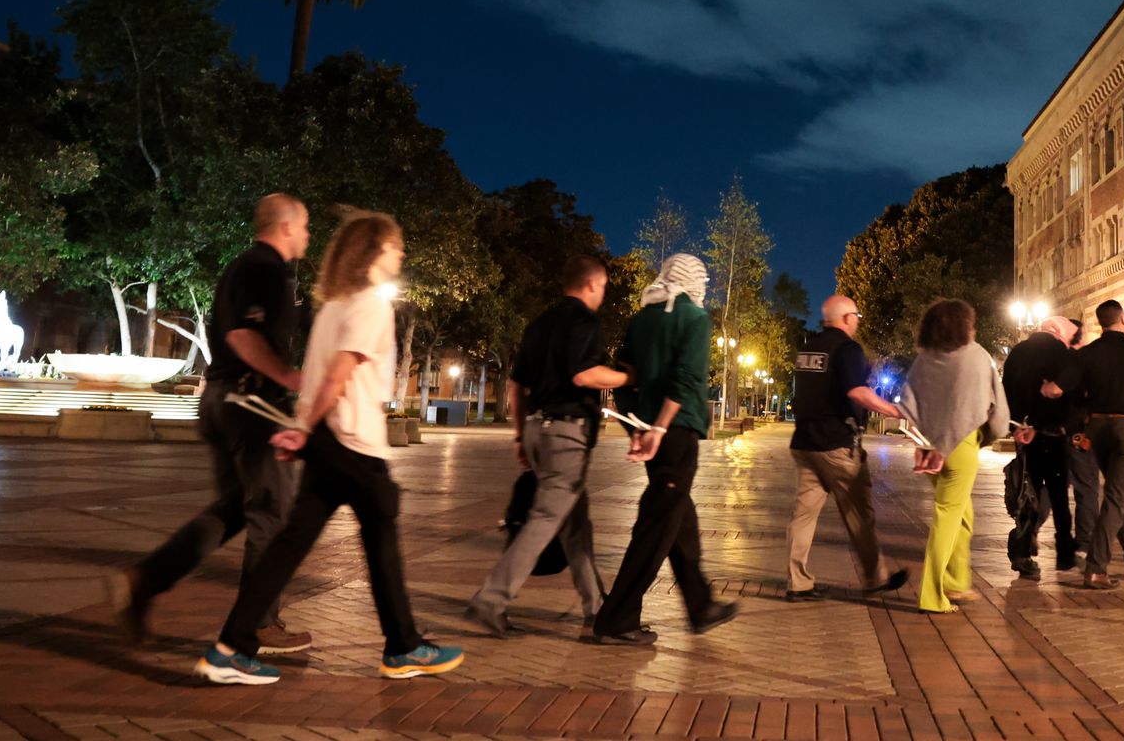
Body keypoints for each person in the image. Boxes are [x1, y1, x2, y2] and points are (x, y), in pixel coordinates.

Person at [196, 211, 463, 685]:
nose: (400, 254)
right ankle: (403, 647)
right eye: (394, 246)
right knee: (380, 539)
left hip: (327, 443)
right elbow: (338, 377)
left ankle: (230, 647)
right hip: (353, 443)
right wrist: (304, 428)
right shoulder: (368, 306)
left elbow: (320, 375)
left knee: (291, 547)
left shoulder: (333, 308)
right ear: (373, 252)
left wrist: (305, 429)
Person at [111, 194, 313, 653]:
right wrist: (285, 375)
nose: (307, 235)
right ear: (284, 227)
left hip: (222, 399)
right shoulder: (265, 270)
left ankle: (146, 579)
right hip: (252, 403)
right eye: (304, 226)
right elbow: (243, 334)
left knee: (238, 508)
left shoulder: (243, 267)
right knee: (273, 514)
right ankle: (259, 623)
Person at [466, 256, 628, 635]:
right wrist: (626, 378)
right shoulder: (584, 321)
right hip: (566, 435)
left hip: (540, 429)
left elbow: (516, 386)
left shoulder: (540, 324)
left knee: (575, 525)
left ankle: (597, 608)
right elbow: (584, 373)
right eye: (603, 286)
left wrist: (522, 435)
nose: (603, 294)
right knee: (544, 521)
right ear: (591, 284)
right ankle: (490, 600)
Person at [590, 254, 739, 645]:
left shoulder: (642, 319)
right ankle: (616, 619)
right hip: (676, 431)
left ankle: (700, 604)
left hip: (650, 431)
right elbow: (687, 378)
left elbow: (623, 380)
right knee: (656, 526)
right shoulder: (695, 319)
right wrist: (658, 426)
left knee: (678, 517)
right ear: (696, 282)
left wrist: (634, 427)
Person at [784, 294, 910, 601]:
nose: (857, 322)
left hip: (805, 442)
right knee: (860, 513)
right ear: (845, 318)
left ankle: (797, 583)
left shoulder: (809, 346)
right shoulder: (848, 348)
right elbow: (857, 391)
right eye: (856, 316)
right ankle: (874, 578)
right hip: (836, 445)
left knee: (803, 515)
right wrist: (896, 411)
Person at [1047, 301, 1124, 589]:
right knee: (1117, 497)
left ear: (1100, 322)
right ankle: (1096, 568)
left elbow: (1056, 389)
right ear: (1121, 320)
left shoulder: (1087, 354)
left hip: (1097, 431)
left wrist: (1044, 388)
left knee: (1120, 492)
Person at [895, 299, 1009, 614]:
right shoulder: (977, 356)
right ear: (964, 325)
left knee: (962, 514)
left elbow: (909, 404)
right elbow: (995, 405)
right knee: (947, 516)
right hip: (961, 447)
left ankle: (958, 580)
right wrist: (993, 433)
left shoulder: (922, 361)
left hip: (930, 446)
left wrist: (924, 440)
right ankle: (933, 594)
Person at [1001, 315, 1081, 577]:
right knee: (1058, 496)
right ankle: (1065, 556)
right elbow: (1070, 390)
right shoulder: (1060, 353)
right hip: (1051, 434)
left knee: (1028, 494)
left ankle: (1022, 553)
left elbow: (1006, 392)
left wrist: (1017, 426)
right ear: (1058, 332)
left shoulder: (1017, 353)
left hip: (1024, 435)